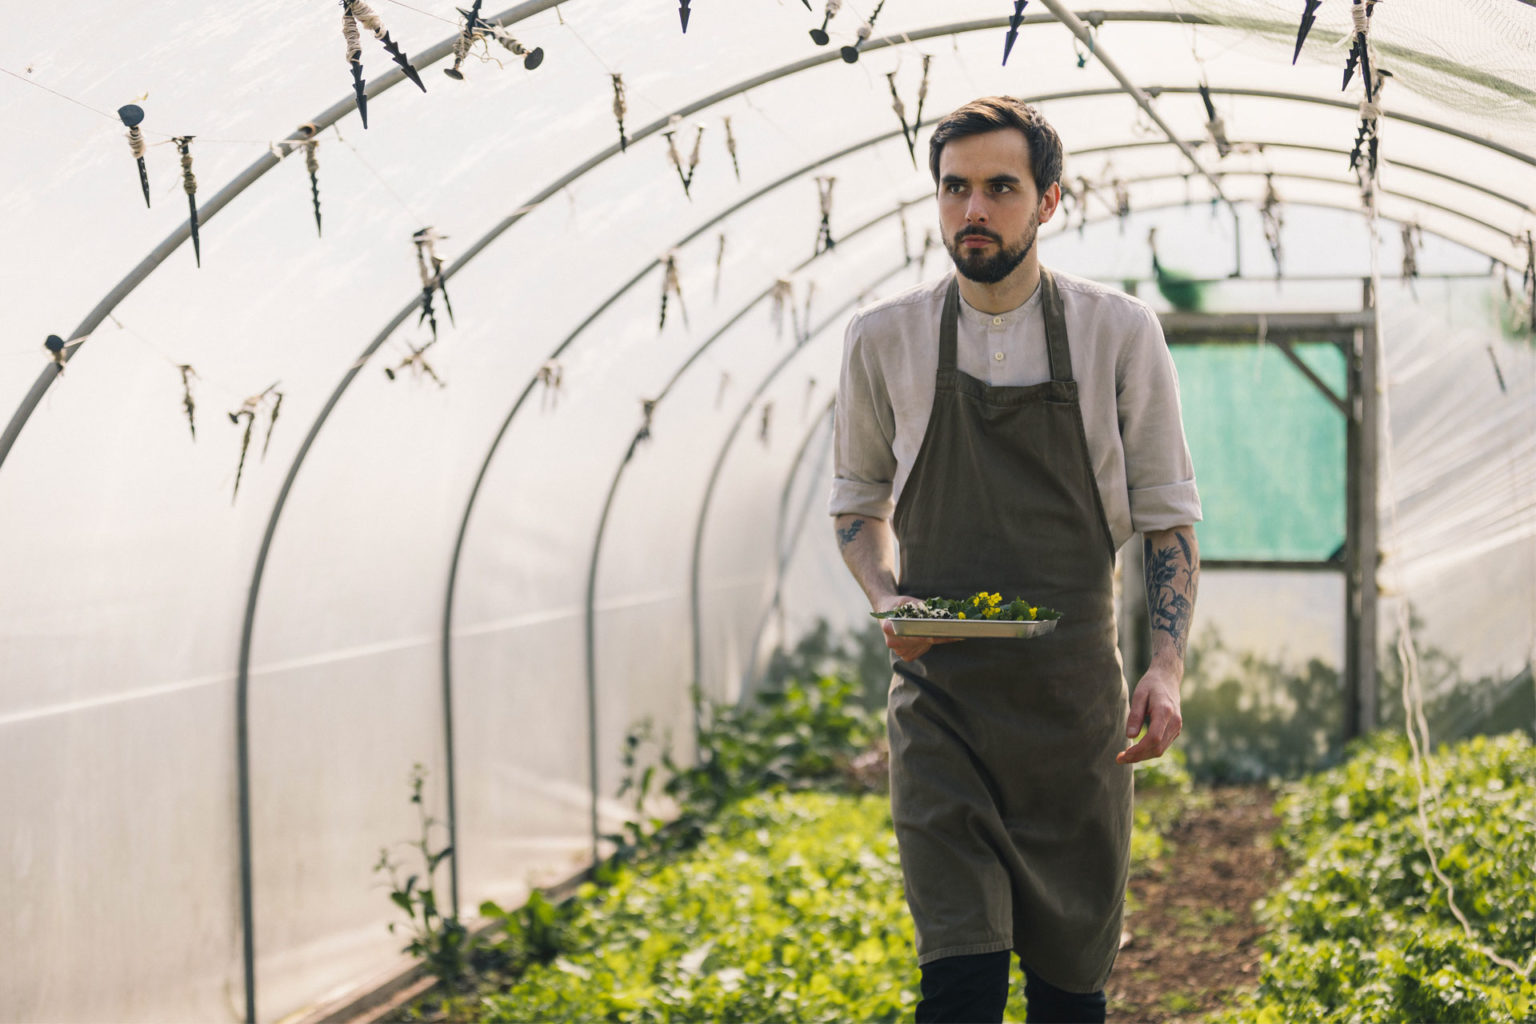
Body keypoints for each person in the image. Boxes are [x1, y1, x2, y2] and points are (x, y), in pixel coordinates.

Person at [830, 96, 1202, 1024]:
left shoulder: (1118, 333)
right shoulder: (885, 340)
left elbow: (1167, 521)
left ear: (1050, 202)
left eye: (1001, 188)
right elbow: (857, 508)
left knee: (1069, 996)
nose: (974, 211)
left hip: (1075, 722)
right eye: (955, 189)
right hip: (941, 705)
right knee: (959, 982)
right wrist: (887, 596)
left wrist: (1165, 665)